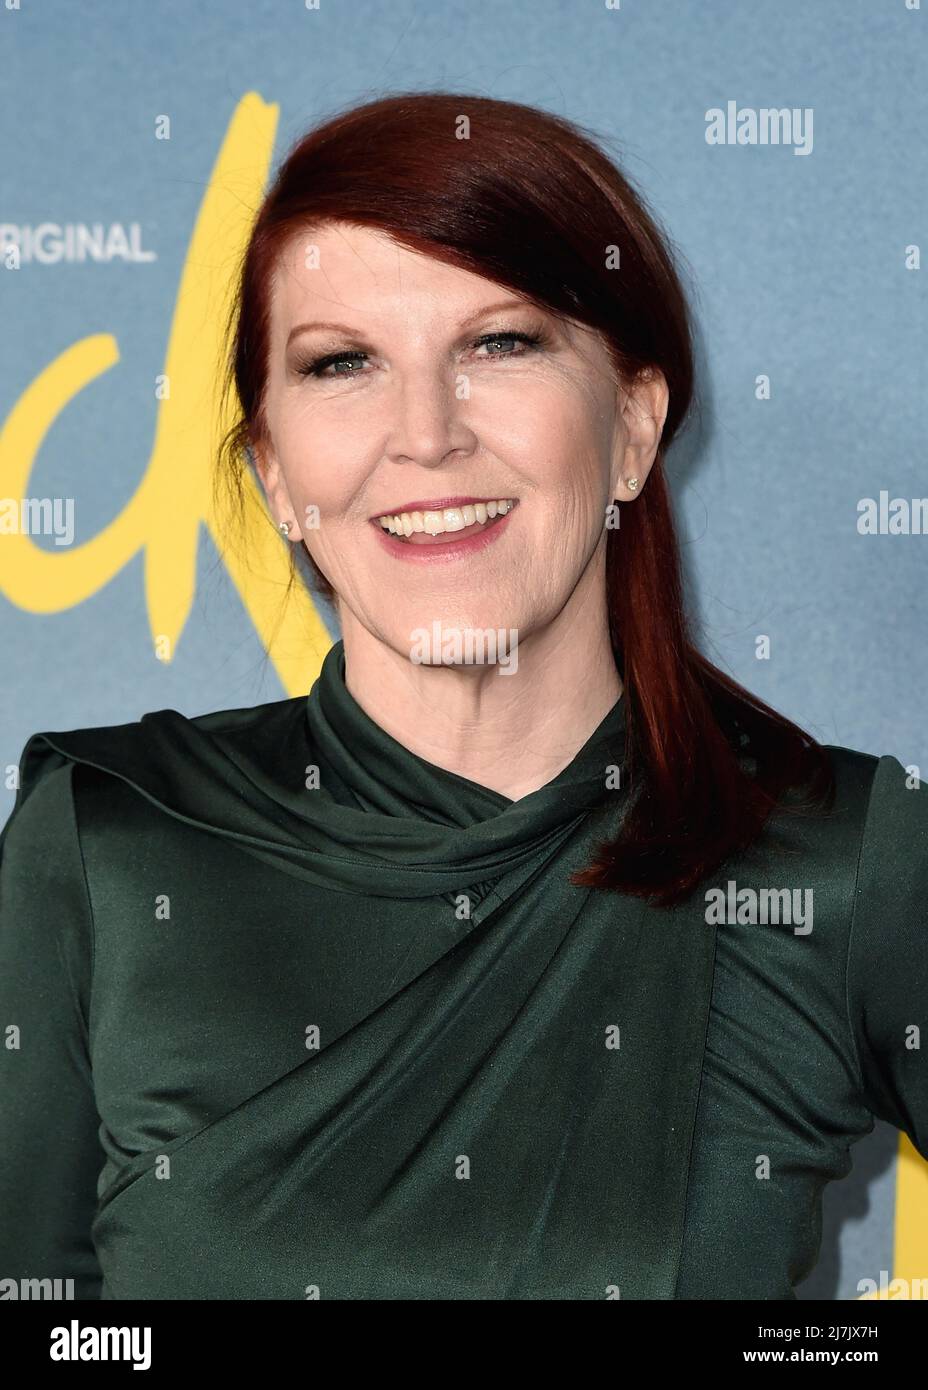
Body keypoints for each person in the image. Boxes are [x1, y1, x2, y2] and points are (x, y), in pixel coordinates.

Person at [1, 91, 925, 1301]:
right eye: (342, 364)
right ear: (277, 476)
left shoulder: (839, 856)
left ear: (635, 427)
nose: (425, 435)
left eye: (500, 344)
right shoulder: (108, 843)